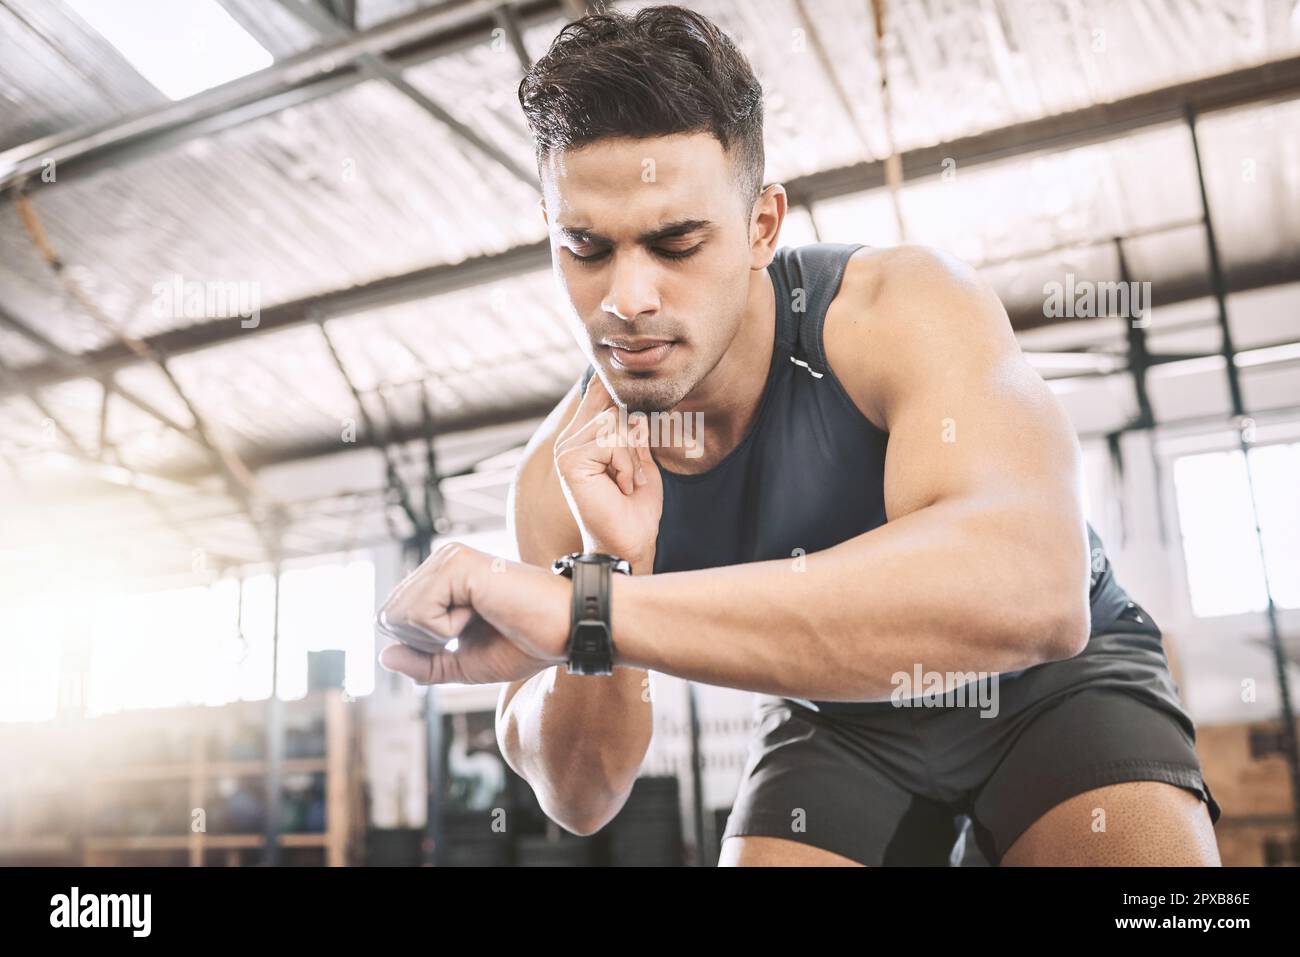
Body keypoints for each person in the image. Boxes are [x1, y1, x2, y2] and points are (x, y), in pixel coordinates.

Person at [378, 5, 1221, 866]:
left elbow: (1036, 592)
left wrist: (591, 608)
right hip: (832, 717)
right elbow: (583, 793)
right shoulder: (557, 474)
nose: (625, 298)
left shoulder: (895, 307)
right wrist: (606, 573)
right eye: (586, 247)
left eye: (675, 242)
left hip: (1049, 693)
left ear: (762, 227)